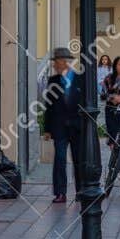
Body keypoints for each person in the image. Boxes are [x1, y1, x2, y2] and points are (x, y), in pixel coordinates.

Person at [41, 47, 86, 204]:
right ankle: (60, 193)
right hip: (59, 126)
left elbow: (86, 103)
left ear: (65, 62)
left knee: (78, 159)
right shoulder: (53, 80)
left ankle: (81, 190)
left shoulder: (80, 78)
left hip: (77, 125)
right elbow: (49, 105)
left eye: (56, 62)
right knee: (59, 159)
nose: (54, 65)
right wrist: (46, 129)